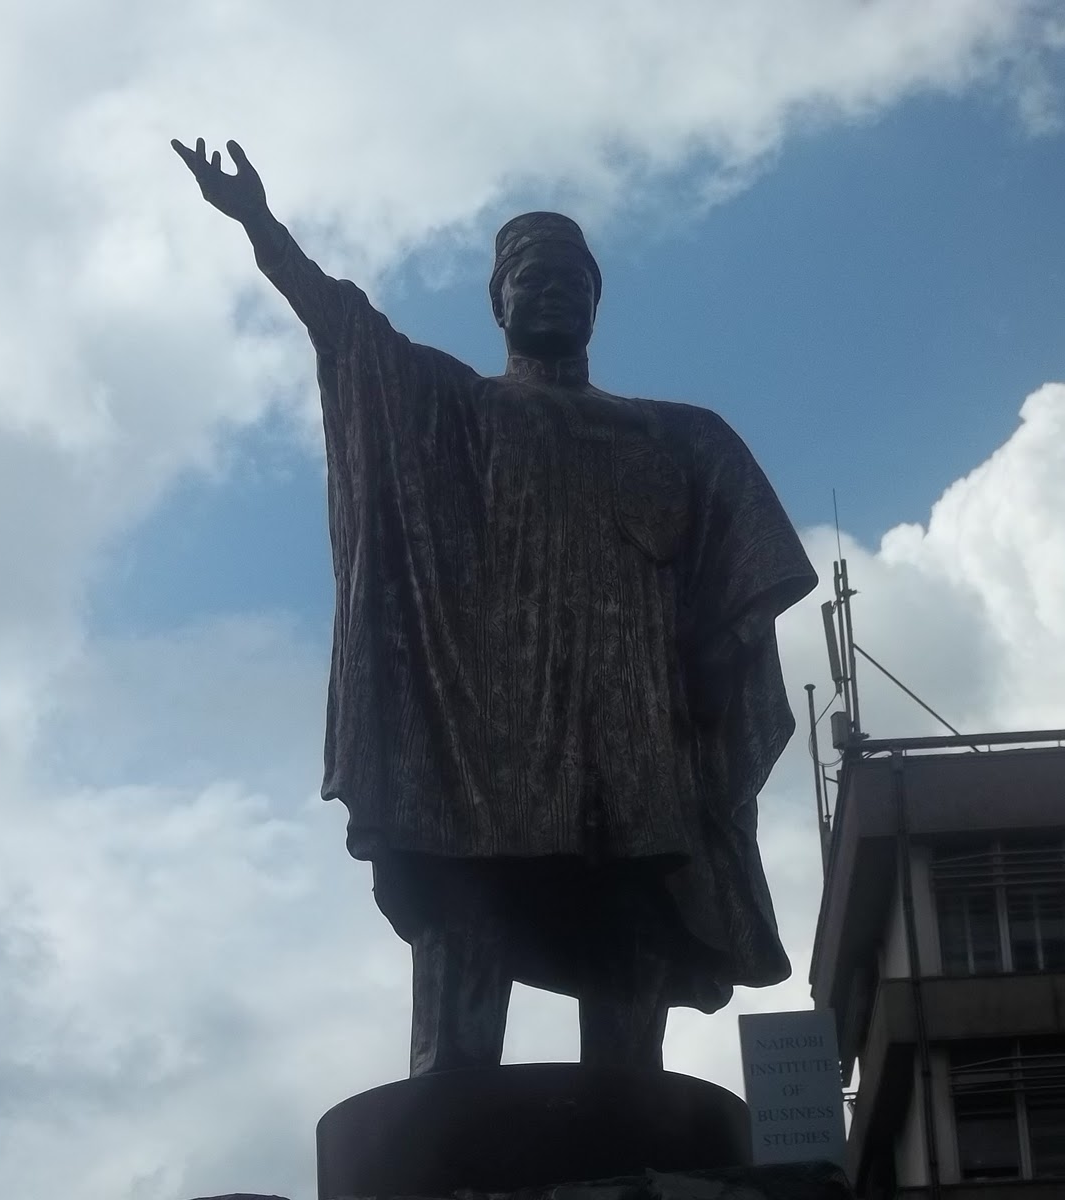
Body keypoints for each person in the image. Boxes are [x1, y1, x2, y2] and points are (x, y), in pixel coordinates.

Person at [172, 138, 817, 1077]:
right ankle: (449, 1104)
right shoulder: (461, 411)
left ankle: (631, 1117)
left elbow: (745, 588)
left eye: (569, 280)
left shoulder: (680, 436)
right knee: (469, 907)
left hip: (631, 737)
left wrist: (717, 673)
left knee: (633, 923)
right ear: (497, 301)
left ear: (598, 302)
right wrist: (264, 231)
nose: (550, 292)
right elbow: (348, 332)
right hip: (490, 735)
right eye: (529, 277)